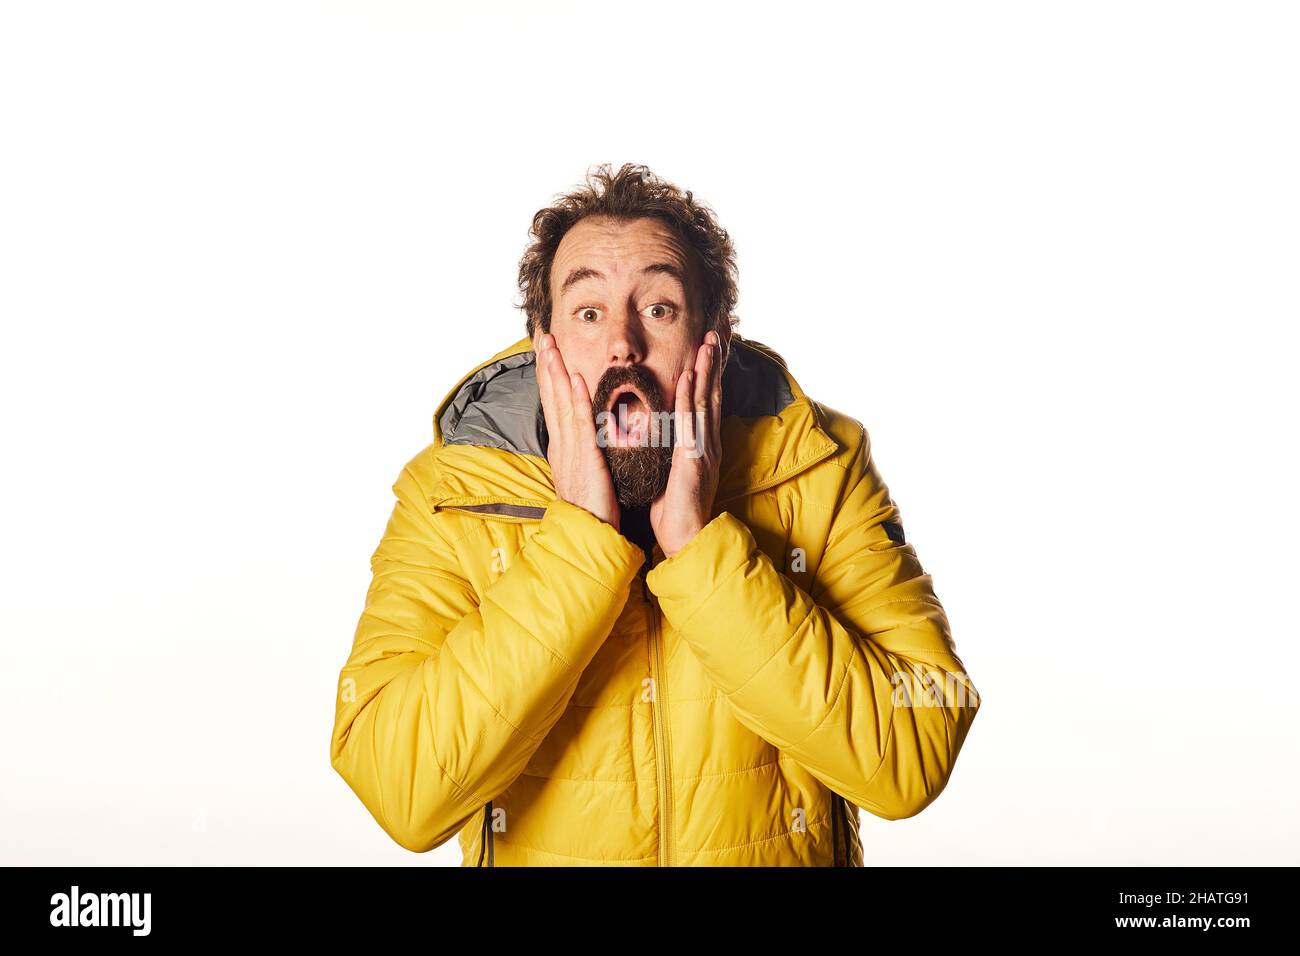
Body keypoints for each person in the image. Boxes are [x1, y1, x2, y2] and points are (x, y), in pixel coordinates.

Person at [329, 163, 981, 866]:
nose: (622, 343)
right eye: (588, 312)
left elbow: (913, 754)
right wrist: (576, 547)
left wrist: (702, 554)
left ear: (715, 341)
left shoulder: (818, 468)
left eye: (659, 309)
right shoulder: (449, 495)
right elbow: (399, 789)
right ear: (542, 348)